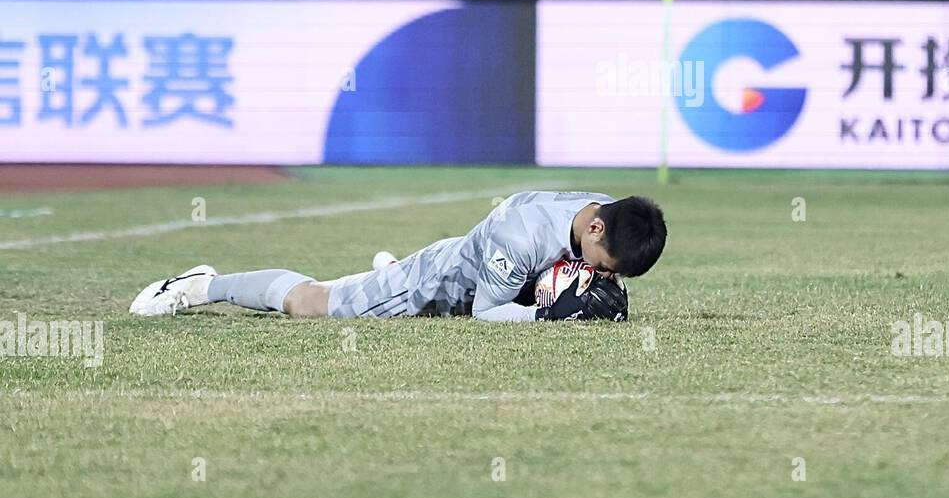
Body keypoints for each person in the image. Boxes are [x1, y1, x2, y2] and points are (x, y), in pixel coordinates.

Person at [128, 191, 666, 322]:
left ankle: (386, 269)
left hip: (470, 269)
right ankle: (201, 285)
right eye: (602, 262)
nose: (596, 274)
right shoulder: (521, 236)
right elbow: (484, 314)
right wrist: (547, 314)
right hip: (438, 283)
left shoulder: (610, 214)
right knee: (312, 303)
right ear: (595, 227)